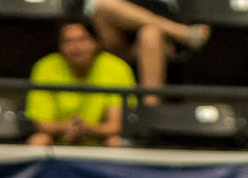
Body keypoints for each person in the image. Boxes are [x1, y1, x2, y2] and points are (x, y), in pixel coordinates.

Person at [25, 20, 134, 148]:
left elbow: (116, 125)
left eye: (82, 40)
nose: (76, 47)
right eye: (68, 41)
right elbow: (41, 124)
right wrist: (68, 126)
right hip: (59, 138)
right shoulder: (44, 67)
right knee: (38, 140)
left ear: (96, 43)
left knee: (115, 141)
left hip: (100, 140)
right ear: (60, 46)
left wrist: (86, 129)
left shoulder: (117, 68)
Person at [83, 0, 208, 92]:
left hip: (157, 17)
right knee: (105, 5)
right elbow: (92, 6)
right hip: (116, 36)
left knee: (150, 34)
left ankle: (149, 110)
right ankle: (181, 33)